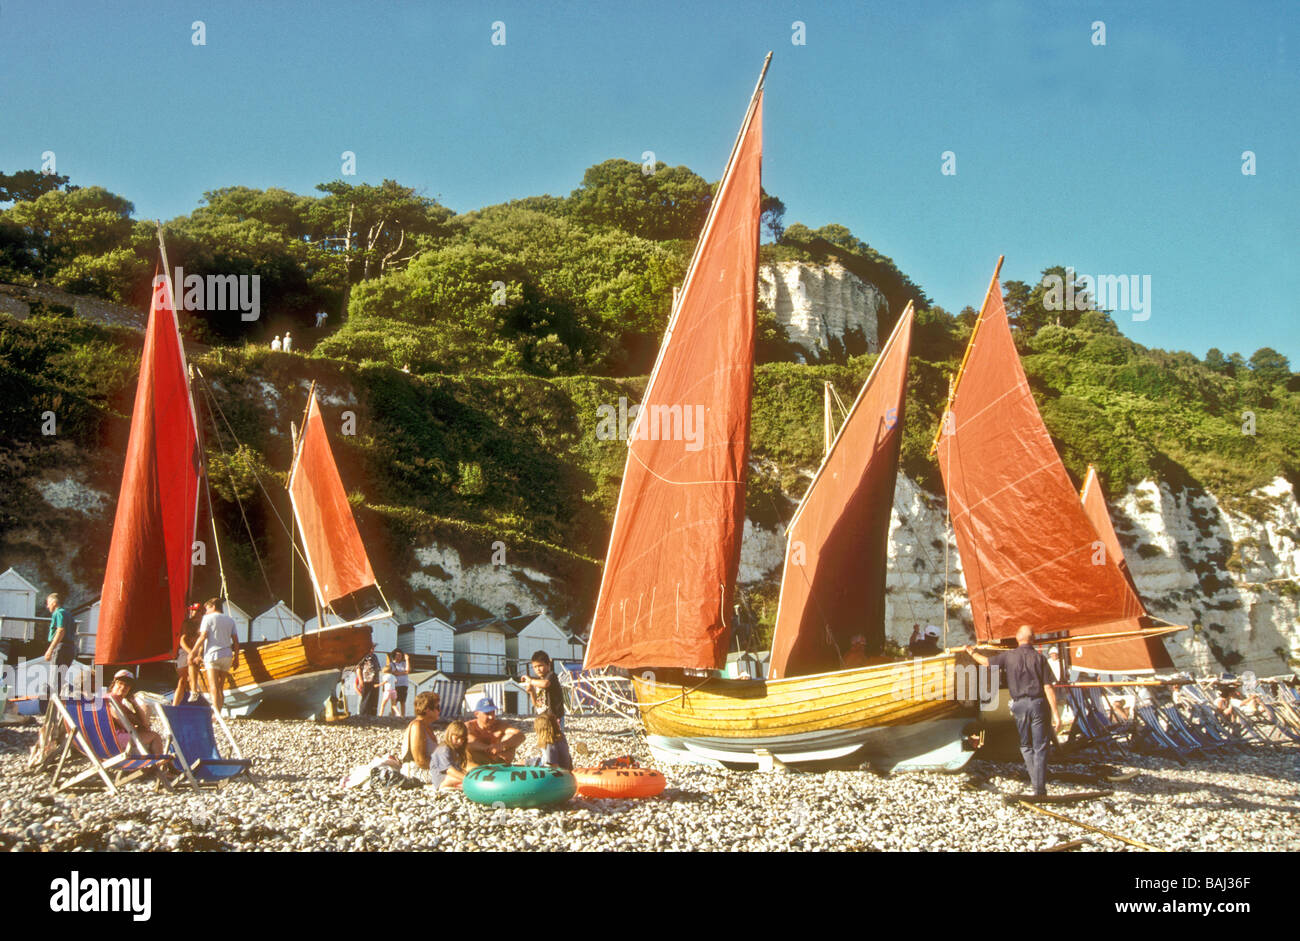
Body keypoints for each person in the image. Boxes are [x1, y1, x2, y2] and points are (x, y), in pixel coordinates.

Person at [966, 625, 1061, 797]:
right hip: (1038, 704)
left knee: (1026, 746)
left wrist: (971, 652)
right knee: (1040, 747)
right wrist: (1056, 714)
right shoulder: (1040, 659)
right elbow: (1048, 688)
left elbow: (986, 662)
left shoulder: (1008, 657)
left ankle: (1036, 786)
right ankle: (1039, 789)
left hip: (1019, 706)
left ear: (1018, 638)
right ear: (1032, 639)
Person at [193, 597, 241, 713]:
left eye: (207, 609)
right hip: (227, 656)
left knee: (213, 687)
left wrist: (193, 652)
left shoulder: (207, 618)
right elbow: (235, 641)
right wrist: (236, 659)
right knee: (220, 687)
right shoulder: (230, 620)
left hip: (212, 655)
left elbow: (203, 636)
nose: (205, 612)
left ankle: (216, 713)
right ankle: (218, 712)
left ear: (213, 606)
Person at [107, 670, 165, 755]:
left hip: (105, 741)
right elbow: (129, 726)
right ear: (113, 684)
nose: (123, 687)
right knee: (155, 736)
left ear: (130, 690)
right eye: (120, 683)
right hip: (116, 740)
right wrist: (135, 703)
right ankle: (160, 765)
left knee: (146, 732)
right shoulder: (111, 702)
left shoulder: (106, 699)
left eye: (127, 686)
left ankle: (155, 765)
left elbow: (138, 722)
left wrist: (133, 703)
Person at [464, 697, 525, 766]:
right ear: (476, 714)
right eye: (487, 714)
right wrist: (487, 748)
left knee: (510, 736)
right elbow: (468, 741)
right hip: (477, 762)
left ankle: (502, 767)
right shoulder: (469, 726)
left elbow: (521, 736)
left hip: (498, 761)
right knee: (466, 744)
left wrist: (502, 745)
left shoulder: (500, 725)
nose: (491, 717)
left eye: (493, 713)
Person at [42, 593, 77, 694]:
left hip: (61, 647)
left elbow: (61, 631)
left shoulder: (58, 613)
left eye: (48, 603)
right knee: (60, 679)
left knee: (54, 681)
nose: (47, 606)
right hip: (70, 648)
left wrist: (50, 649)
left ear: (54, 602)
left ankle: (53, 706)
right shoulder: (69, 614)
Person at [520, 650, 565, 728]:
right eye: (535, 667)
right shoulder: (538, 681)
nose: (538, 669)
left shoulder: (551, 676)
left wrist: (530, 681)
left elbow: (545, 684)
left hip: (555, 717)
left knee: (558, 738)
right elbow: (537, 704)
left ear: (548, 665)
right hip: (543, 717)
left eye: (540, 666)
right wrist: (532, 692)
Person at [172, 605, 203, 705]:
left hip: (200, 652)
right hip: (186, 651)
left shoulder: (205, 624)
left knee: (196, 679)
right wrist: (191, 653)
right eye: (192, 611)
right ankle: (175, 706)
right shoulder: (187, 624)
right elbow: (182, 640)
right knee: (182, 681)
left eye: (196, 611)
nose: (194, 613)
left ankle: (196, 697)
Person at [356, 643, 381, 716]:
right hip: (366, 680)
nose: (372, 650)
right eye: (371, 648)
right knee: (366, 698)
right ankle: (363, 714)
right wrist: (360, 680)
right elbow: (358, 668)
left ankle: (373, 714)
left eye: (373, 648)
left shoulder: (375, 657)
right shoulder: (363, 657)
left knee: (374, 699)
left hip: (375, 681)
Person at [387, 649, 410, 718]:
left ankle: (403, 715)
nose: (399, 657)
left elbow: (408, 670)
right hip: (396, 685)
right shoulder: (392, 664)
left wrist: (407, 660)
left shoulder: (404, 663)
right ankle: (393, 715)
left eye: (400, 655)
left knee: (403, 701)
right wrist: (404, 672)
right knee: (395, 701)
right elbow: (395, 673)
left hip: (404, 684)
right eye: (397, 655)